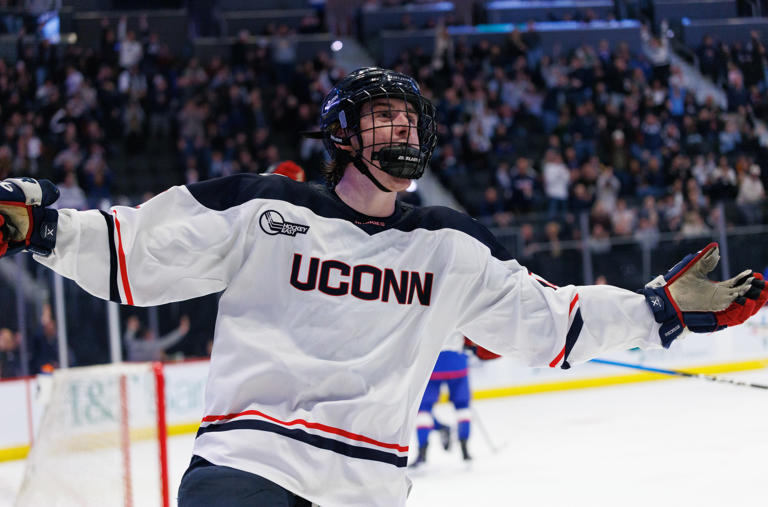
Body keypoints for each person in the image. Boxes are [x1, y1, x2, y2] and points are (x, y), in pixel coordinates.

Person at [0, 67, 766, 507]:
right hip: (247, 465)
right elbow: (137, 249)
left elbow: (551, 321)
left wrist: (660, 308)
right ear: (343, 132)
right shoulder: (266, 206)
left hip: (364, 486)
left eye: (410, 120)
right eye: (384, 117)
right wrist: (41, 229)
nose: (402, 129)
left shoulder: (450, 245)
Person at [412, 333, 498, 466]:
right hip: (458, 362)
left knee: (423, 409)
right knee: (462, 406)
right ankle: (465, 450)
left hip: (431, 364)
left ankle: (422, 453)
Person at [124, 314, 190, 362]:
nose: (153, 336)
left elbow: (167, 342)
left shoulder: (155, 347)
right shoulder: (137, 345)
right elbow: (167, 341)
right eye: (150, 334)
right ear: (145, 336)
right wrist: (131, 329)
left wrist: (181, 331)